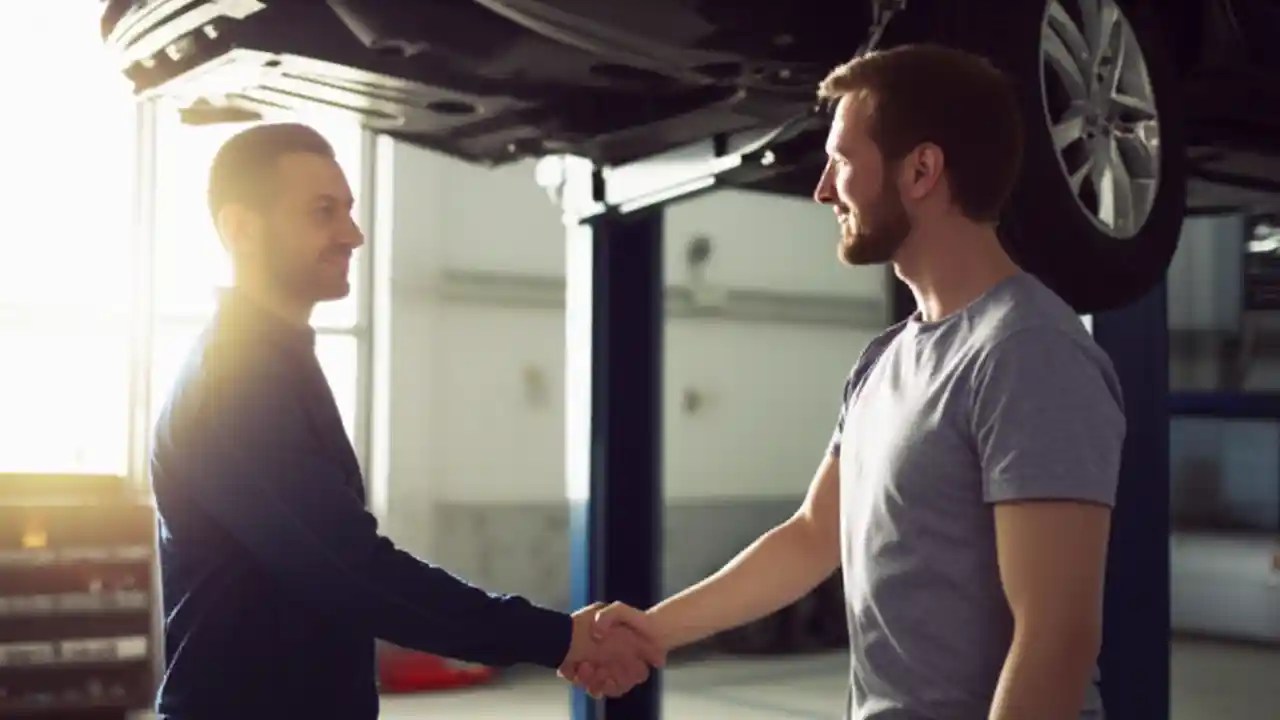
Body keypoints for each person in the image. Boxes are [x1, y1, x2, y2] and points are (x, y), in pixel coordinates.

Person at [573, 43, 1127, 719]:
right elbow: (812, 536)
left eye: (842, 159)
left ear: (921, 170)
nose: (823, 187)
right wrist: (656, 630)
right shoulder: (886, 359)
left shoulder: (1028, 352)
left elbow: (1057, 636)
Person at [149, 122, 662, 720]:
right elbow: (352, 570)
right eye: (323, 213)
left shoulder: (275, 364)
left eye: (349, 210)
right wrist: (557, 639)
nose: (353, 234)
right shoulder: (233, 385)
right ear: (240, 228)